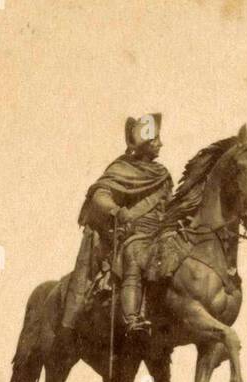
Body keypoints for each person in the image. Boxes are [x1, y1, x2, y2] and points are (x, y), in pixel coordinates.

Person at [65, 114, 174, 336]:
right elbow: (99, 195)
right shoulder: (121, 169)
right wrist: (117, 211)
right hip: (132, 235)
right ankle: (132, 318)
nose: (160, 144)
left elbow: (170, 204)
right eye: (155, 140)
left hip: (160, 233)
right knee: (134, 255)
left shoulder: (162, 174)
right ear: (144, 144)